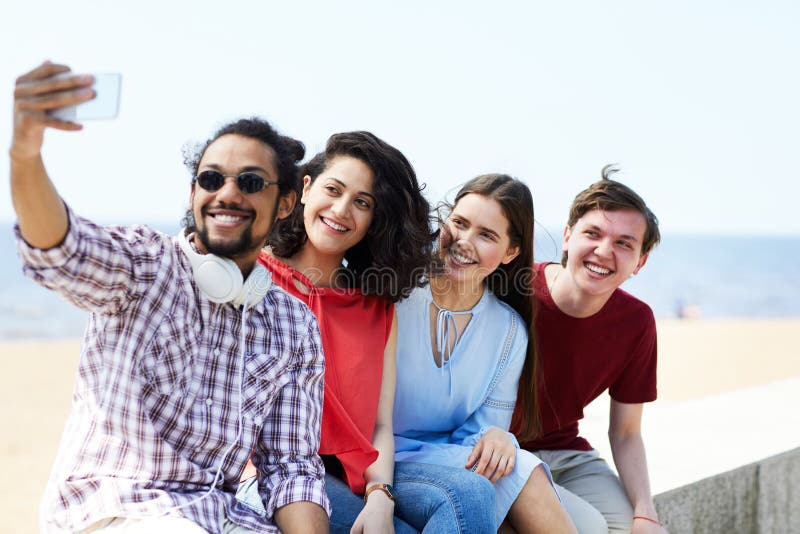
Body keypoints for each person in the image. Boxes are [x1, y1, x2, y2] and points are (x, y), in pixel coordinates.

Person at [11, 61, 329, 533]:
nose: (227, 193)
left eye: (251, 182)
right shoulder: (145, 265)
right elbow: (62, 247)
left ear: (285, 203)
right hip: (116, 512)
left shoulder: (294, 325)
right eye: (211, 179)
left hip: (222, 518)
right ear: (192, 193)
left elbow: (292, 469)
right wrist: (25, 155)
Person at [238, 131, 498, 533]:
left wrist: (381, 497)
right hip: (273, 470)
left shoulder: (376, 308)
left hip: (355, 472)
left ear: (376, 220)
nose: (342, 210)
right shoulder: (251, 274)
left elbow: (379, 425)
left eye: (363, 202)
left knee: (475, 495)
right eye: (334, 190)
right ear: (305, 189)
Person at [392, 174, 577, 533]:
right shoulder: (397, 294)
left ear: (511, 253)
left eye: (486, 235)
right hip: (379, 458)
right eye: (459, 223)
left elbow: (484, 428)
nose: (463, 241)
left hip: (443, 460)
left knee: (521, 468)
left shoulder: (508, 331)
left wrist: (496, 436)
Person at [511, 166, 667, 534]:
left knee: (632, 529)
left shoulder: (636, 322)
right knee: (588, 528)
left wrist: (646, 509)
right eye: (592, 234)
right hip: (501, 453)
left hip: (568, 455)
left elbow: (627, 432)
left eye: (624, 243)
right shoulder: (515, 289)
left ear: (640, 262)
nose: (603, 251)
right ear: (567, 236)